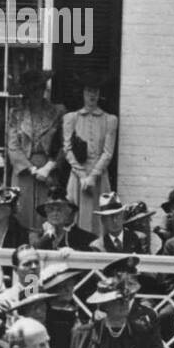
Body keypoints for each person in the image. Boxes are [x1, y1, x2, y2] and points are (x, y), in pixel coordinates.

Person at [6, 69, 64, 231]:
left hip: (48, 172)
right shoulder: (16, 114)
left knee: (48, 213)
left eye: (41, 88)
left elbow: (64, 145)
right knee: (22, 212)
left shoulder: (57, 112)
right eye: (34, 89)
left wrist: (47, 168)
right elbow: (13, 147)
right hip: (24, 171)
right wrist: (32, 169)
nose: (38, 93)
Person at [63, 72, 118, 234]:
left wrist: (93, 176)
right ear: (83, 93)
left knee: (100, 220)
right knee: (75, 217)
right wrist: (82, 177)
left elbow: (108, 152)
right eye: (88, 91)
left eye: (95, 91)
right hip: (78, 176)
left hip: (99, 177)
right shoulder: (71, 118)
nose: (92, 95)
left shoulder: (109, 120)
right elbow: (67, 149)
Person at [33, 185, 92, 251]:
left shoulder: (85, 238)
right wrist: (48, 235)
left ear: (69, 213)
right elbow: (32, 252)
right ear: (46, 213)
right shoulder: (38, 235)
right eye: (51, 209)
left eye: (59, 210)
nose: (55, 213)